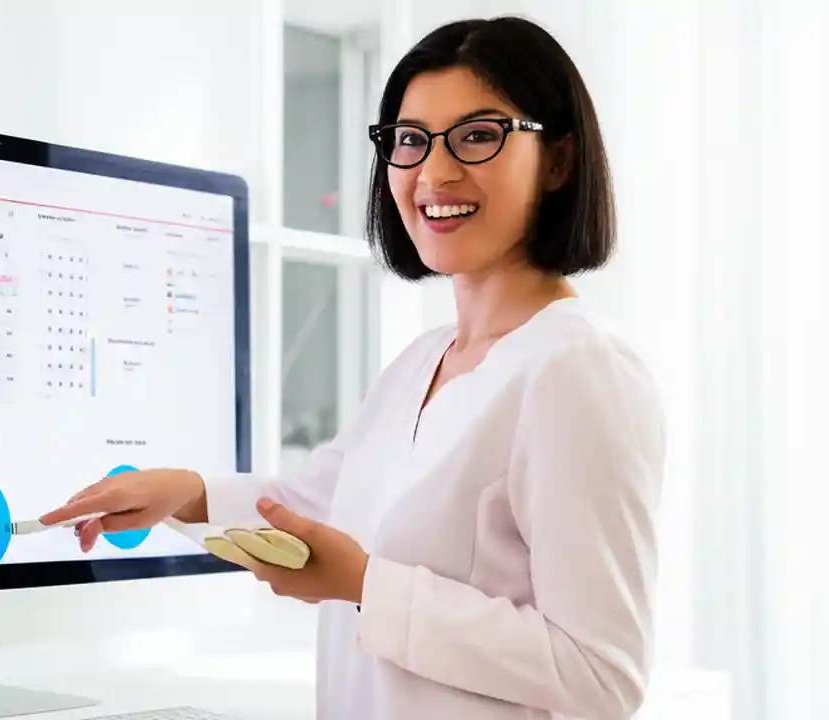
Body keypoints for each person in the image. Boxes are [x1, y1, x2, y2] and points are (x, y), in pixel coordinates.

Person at [41, 16, 665, 720]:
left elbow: (601, 676)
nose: (434, 171)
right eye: (410, 141)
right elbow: (310, 508)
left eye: (479, 135)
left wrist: (368, 585)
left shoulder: (579, 371)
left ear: (558, 160)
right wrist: (182, 495)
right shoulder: (422, 363)